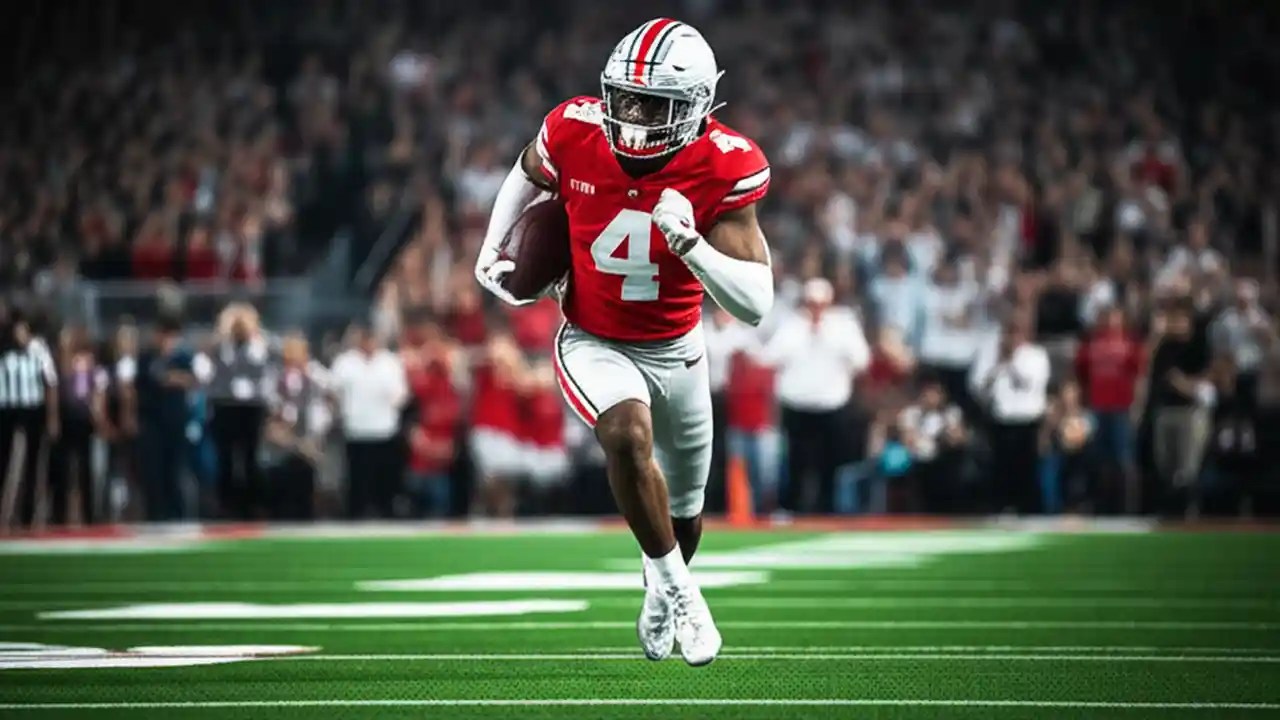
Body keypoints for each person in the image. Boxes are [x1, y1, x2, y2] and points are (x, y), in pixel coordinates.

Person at [474, 18, 774, 666]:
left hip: (678, 347)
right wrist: (493, 245)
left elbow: (756, 303)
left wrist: (694, 247)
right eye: (626, 99)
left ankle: (660, 588)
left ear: (696, 106)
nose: (634, 117)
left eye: (654, 105)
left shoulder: (725, 164)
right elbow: (529, 170)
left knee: (687, 511)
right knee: (627, 435)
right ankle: (685, 596)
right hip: (593, 337)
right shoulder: (576, 130)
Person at [756, 278, 871, 514]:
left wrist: (829, 338)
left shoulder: (844, 324)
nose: (816, 309)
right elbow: (769, 357)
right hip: (797, 405)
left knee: (830, 464)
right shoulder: (792, 325)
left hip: (832, 405)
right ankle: (792, 509)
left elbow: (861, 360)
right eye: (811, 303)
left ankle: (827, 510)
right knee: (796, 463)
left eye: (821, 304)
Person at [970, 316, 1051, 514]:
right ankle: (1002, 508)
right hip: (1001, 420)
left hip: (1028, 420)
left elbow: (1029, 384)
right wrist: (998, 364)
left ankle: (1029, 510)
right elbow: (978, 388)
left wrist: (1012, 362)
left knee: (1026, 470)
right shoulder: (990, 354)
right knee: (1000, 469)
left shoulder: (1036, 355)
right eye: (1010, 331)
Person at [330, 323, 409, 519]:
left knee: (384, 477)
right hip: (356, 429)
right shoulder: (344, 362)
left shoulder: (390, 362)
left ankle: (385, 511)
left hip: (384, 429)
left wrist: (394, 401)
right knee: (357, 477)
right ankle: (356, 513)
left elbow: (401, 394)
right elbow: (333, 391)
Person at [205, 304, 273, 519]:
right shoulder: (220, 348)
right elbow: (209, 369)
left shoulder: (260, 346)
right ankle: (226, 506)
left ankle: (252, 506)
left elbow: (264, 366)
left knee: (250, 458)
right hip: (225, 406)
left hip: (251, 407)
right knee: (225, 458)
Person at [134, 315, 197, 521]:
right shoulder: (146, 358)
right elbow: (148, 382)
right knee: (153, 471)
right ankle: (155, 515)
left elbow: (190, 380)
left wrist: (171, 378)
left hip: (176, 421)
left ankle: (177, 515)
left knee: (175, 470)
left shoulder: (184, 358)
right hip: (152, 421)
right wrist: (171, 378)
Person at [0, 311, 59, 528]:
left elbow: (51, 383)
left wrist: (52, 418)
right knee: (4, 462)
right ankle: (4, 515)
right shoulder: (3, 349)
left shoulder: (38, 349)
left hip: (33, 408)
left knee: (33, 464)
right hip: (6, 409)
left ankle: (26, 516)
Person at [261, 333, 328, 520]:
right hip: (281, 446)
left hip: (309, 445)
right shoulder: (275, 378)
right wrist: (293, 441)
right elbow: (271, 415)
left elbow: (325, 407)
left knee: (304, 496)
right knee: (281, 496)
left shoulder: (317, 377)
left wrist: (313, 439)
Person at [49, 326, 105, 526]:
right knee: (62, 470)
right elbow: (55, 393)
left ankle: (90, 516)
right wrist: (53, 420)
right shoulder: (58, 364)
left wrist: (98, 417)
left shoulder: (88, 364)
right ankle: (59, 516)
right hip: (66, 420)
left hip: (83, 420)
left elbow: (94, 393)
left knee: (85, 470)